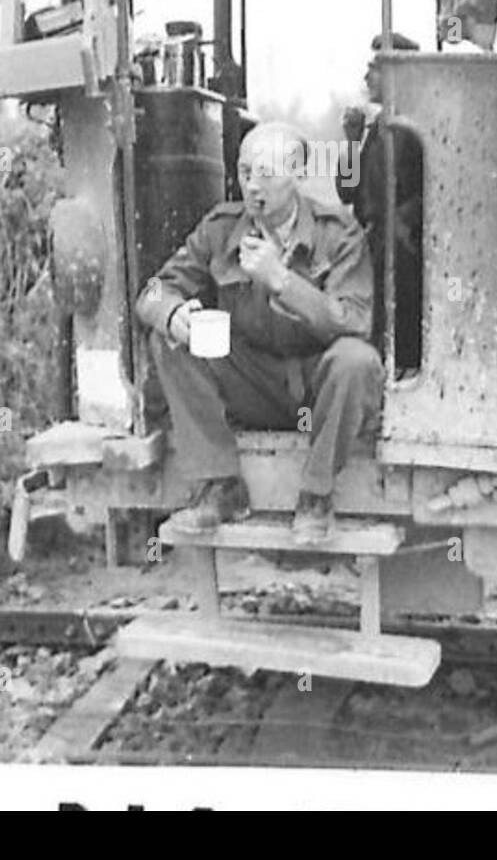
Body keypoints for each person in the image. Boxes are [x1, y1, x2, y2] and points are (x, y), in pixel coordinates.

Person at [137, 122, 383, 545]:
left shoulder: (338, 233)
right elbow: (154, 290)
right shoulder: (221, 228)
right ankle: (221, 485)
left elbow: (354, 321)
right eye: (244, 172)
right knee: (169, 339)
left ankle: (316, 495)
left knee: (357, 361)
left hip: (317, 387)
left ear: (298, 172)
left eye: (265, 174)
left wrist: (282, 280)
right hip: (252, 384)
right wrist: (172, 311)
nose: (252, 186)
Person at [338, 35, 424, 374]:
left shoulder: (416, 126)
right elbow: (347, 191)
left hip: (406, 246)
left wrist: (404, 221)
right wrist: (351, 144)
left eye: (375, 68)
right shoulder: (376, 129)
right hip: (373, 240)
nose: (366, 77)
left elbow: (434, 184)